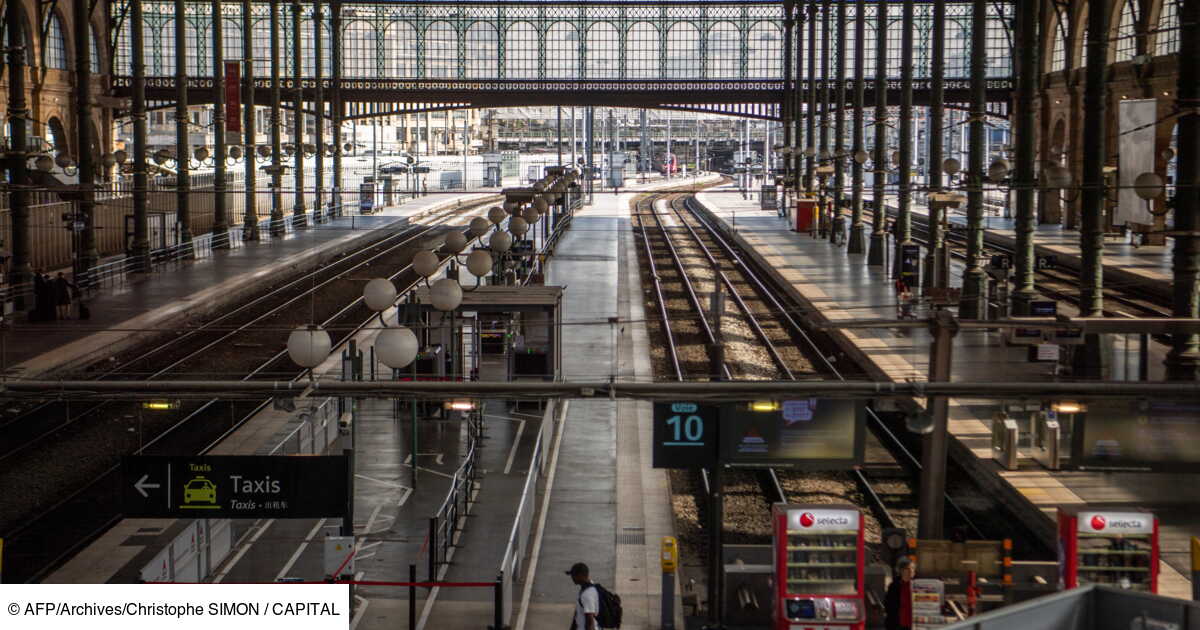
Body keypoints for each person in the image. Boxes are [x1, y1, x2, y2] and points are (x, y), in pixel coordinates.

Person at [566, 562, 600, 630]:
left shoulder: (587, 594)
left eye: (573, 575)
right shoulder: (588, 587)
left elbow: (590, 622)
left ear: (580, 575)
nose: (572, 577)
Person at [884, 556, 915, 630]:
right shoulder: (894, 586)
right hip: (898, 623)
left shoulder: (917, 585)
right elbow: (889, 606)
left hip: (913, 623)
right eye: (907, 568)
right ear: (901, 571)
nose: (911, 570)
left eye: (912, 568)